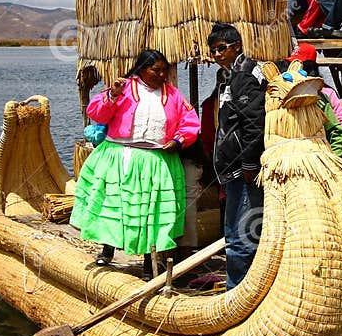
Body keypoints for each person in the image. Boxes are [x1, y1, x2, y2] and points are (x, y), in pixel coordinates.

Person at [70, 49, 200, 279]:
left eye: (164, 70)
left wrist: (178, 141)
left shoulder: (172, 95)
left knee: (151, 210)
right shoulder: (123, 88)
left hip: (154, 159)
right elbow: (97, 113)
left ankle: (150, 262)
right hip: (119, 155)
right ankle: (107, 248)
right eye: (156, 70)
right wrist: (112, 96)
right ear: (141, 69)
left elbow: (190, 123)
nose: (162, 75)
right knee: (116, 204)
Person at [208, 22, 267, 289]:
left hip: (243, 169)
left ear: (236, 47)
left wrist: (249, 163)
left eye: (221, 49)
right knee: (238, 231)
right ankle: (244, 286)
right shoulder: (233, 74)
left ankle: (238, 293)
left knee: (240, 236)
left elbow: (255, 122)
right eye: (213, 51)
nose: (217, 55)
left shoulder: (243, 76)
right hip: (235, 167)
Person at [288, 41, 342, 129]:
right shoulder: (286, 90)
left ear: (309, 69)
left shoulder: (326, 93)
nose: (292, 68)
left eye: (297, 65)